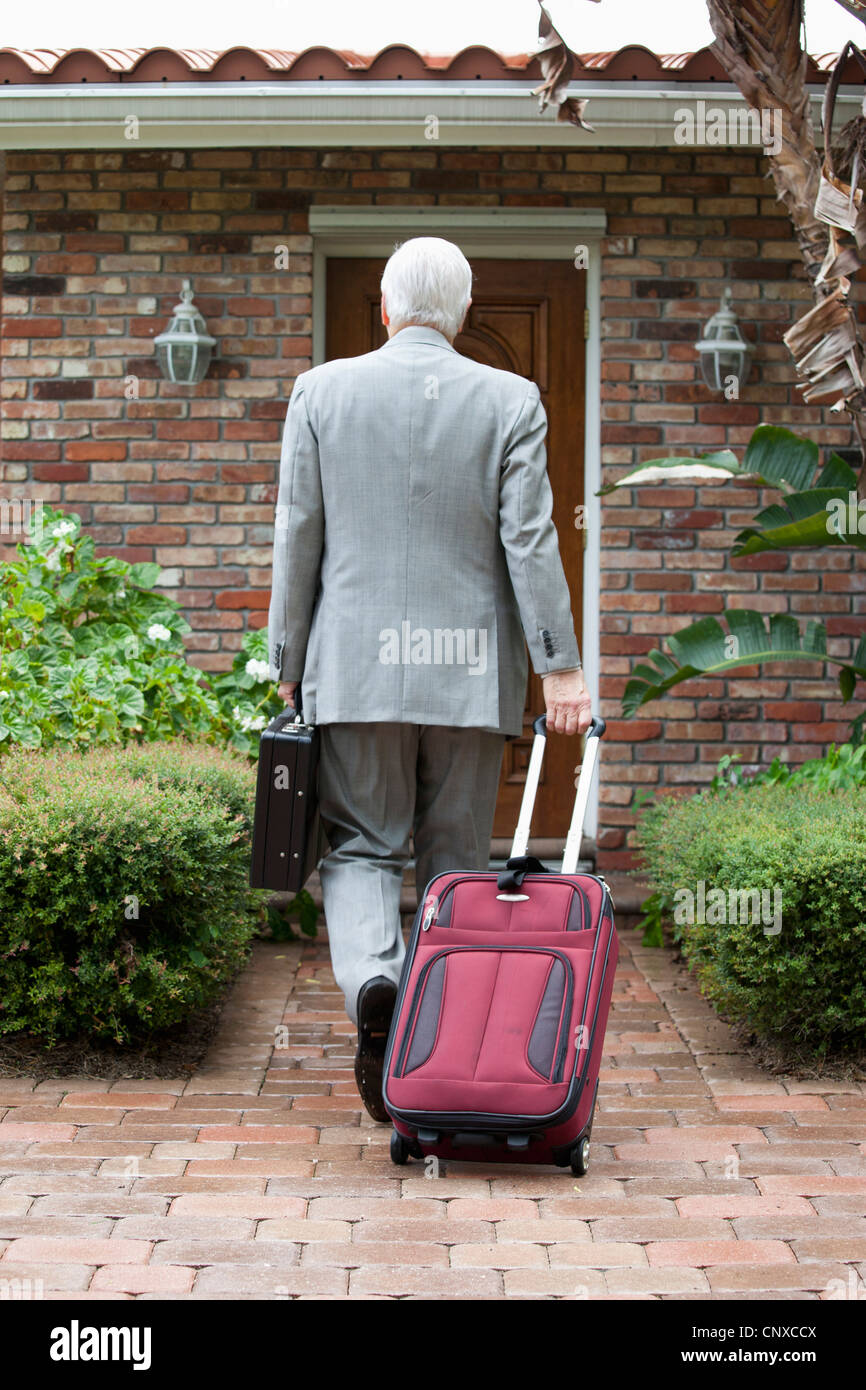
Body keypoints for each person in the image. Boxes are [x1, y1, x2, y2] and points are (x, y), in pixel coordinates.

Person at [267, 236, 591, 1121]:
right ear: (463, 314)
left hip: (356, 668)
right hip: (467, 679)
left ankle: (375, 981)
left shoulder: (321, 393)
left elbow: (297, 537)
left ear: (384, 307)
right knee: (455, 866)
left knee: (365, 848)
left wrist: (285, 665)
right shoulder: (511, 399)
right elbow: (530, 542)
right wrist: (560, 668)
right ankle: (436, 1046)